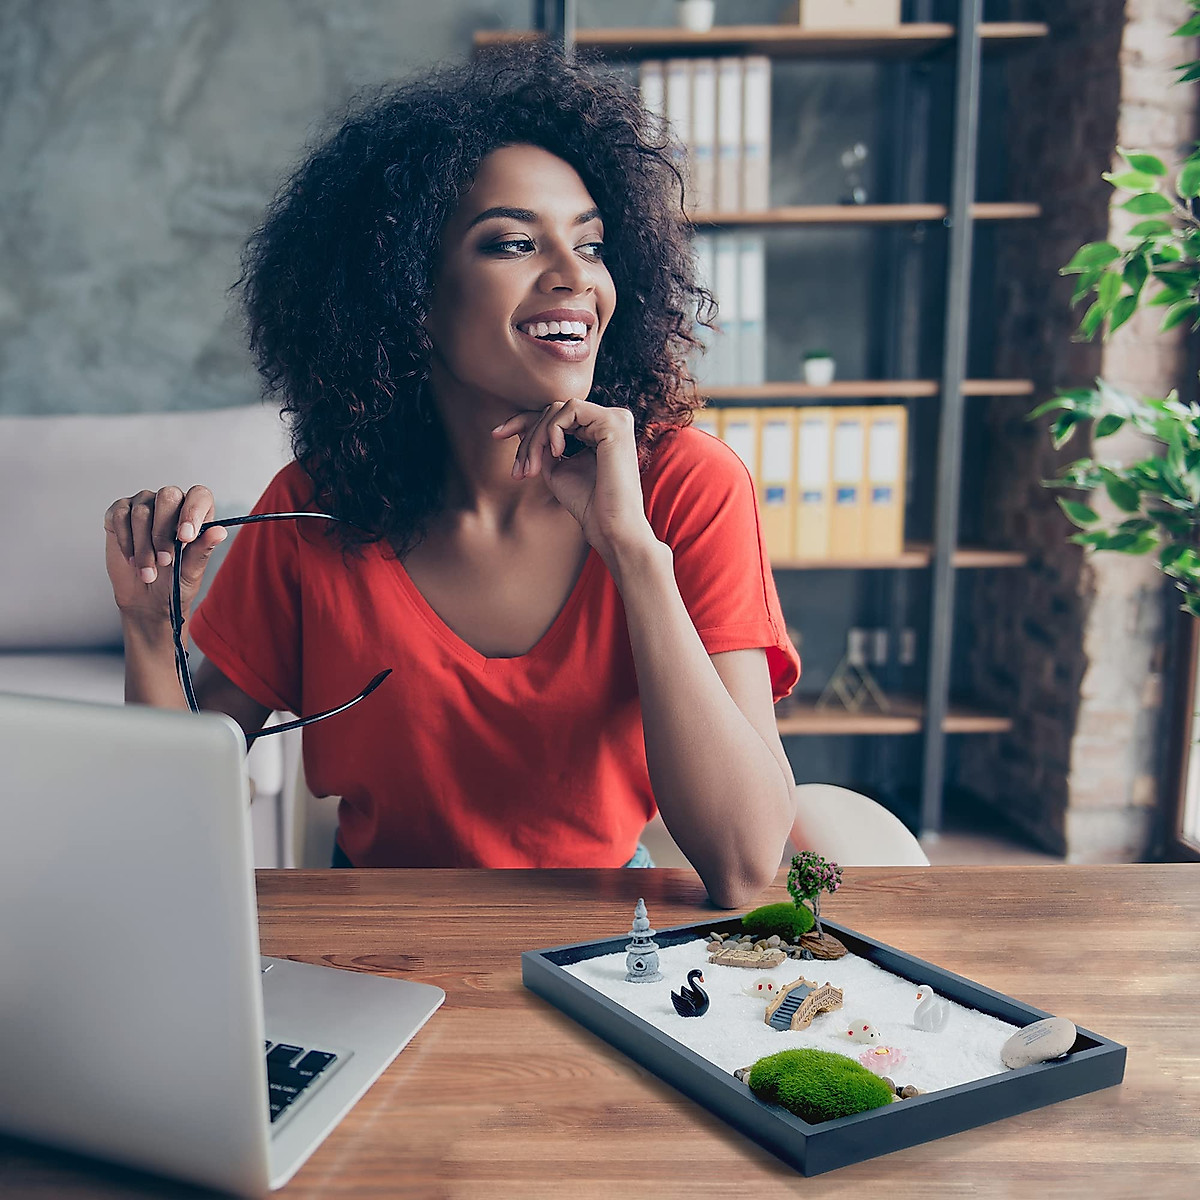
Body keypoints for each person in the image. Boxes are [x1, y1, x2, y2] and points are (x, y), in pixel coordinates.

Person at [103, 40, 802, 908]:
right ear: (409, 296)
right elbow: (169, 818)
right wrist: (144, 623)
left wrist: (630, 548)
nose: (574, 277)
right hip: (371, 943)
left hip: (598, 945)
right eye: (513, 242)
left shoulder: (685, 487)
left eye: (590, 243)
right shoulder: (317, 508)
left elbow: (742, 866)